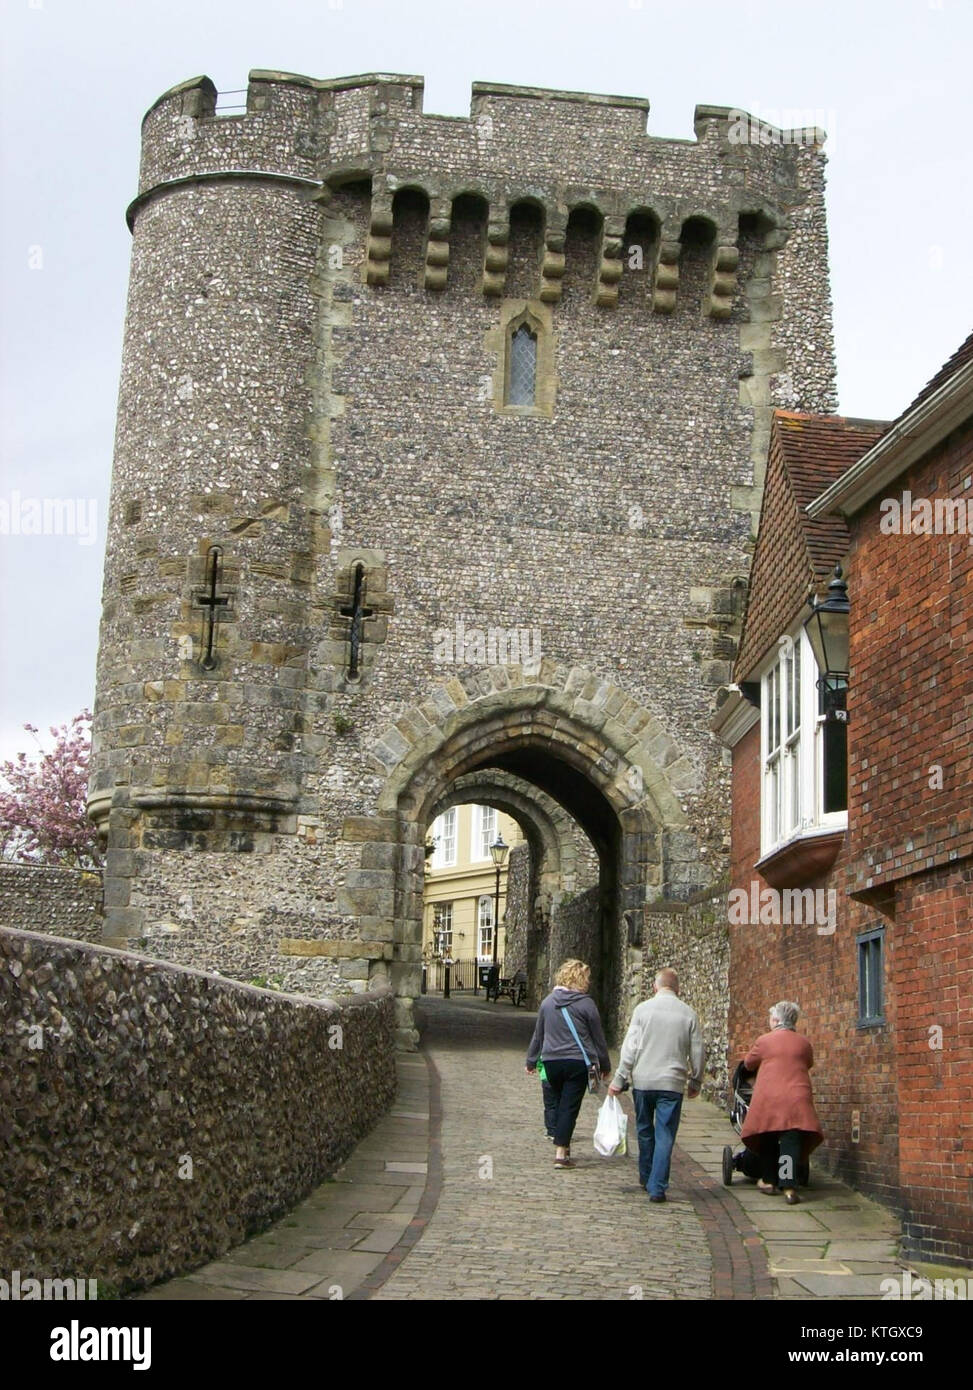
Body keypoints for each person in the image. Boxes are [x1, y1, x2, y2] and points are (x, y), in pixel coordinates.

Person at [609, 967, 704, 1203]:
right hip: (672, 1083)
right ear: (678, 988)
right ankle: (657, 1186)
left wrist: (619, 1078)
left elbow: (630, 1048)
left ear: (655, 986)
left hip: (643, 1081)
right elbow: (698, 1051)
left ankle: (646, 1176)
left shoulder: (642, 1010)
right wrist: (696, 1079)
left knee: (644, 1130)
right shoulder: (688, 1014)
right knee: (665, 1135)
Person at [525, 959, 611, 1169]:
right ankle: (561, 1153)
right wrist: (605, 1064)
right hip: (576, 1063)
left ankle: (562, 1142)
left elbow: (539, 1035)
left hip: (552, 1062)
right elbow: (598, 1038)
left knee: (558, 1103)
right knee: (569, 1107)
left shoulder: (547, 1002)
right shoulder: (586, 1004)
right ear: (580, 979)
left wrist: (531, 1060)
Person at [740, 1000, 823, 1205]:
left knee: (767, 1137)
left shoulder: (764, 1041)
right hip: (796, 1098)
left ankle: (768, 1181)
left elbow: (749, 1063)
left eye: (771, 1018)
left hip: (771, 1099)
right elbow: (808, 1062)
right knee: (790, 1141)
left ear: (776, 1020)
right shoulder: (803, 1043)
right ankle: (788, 1186)